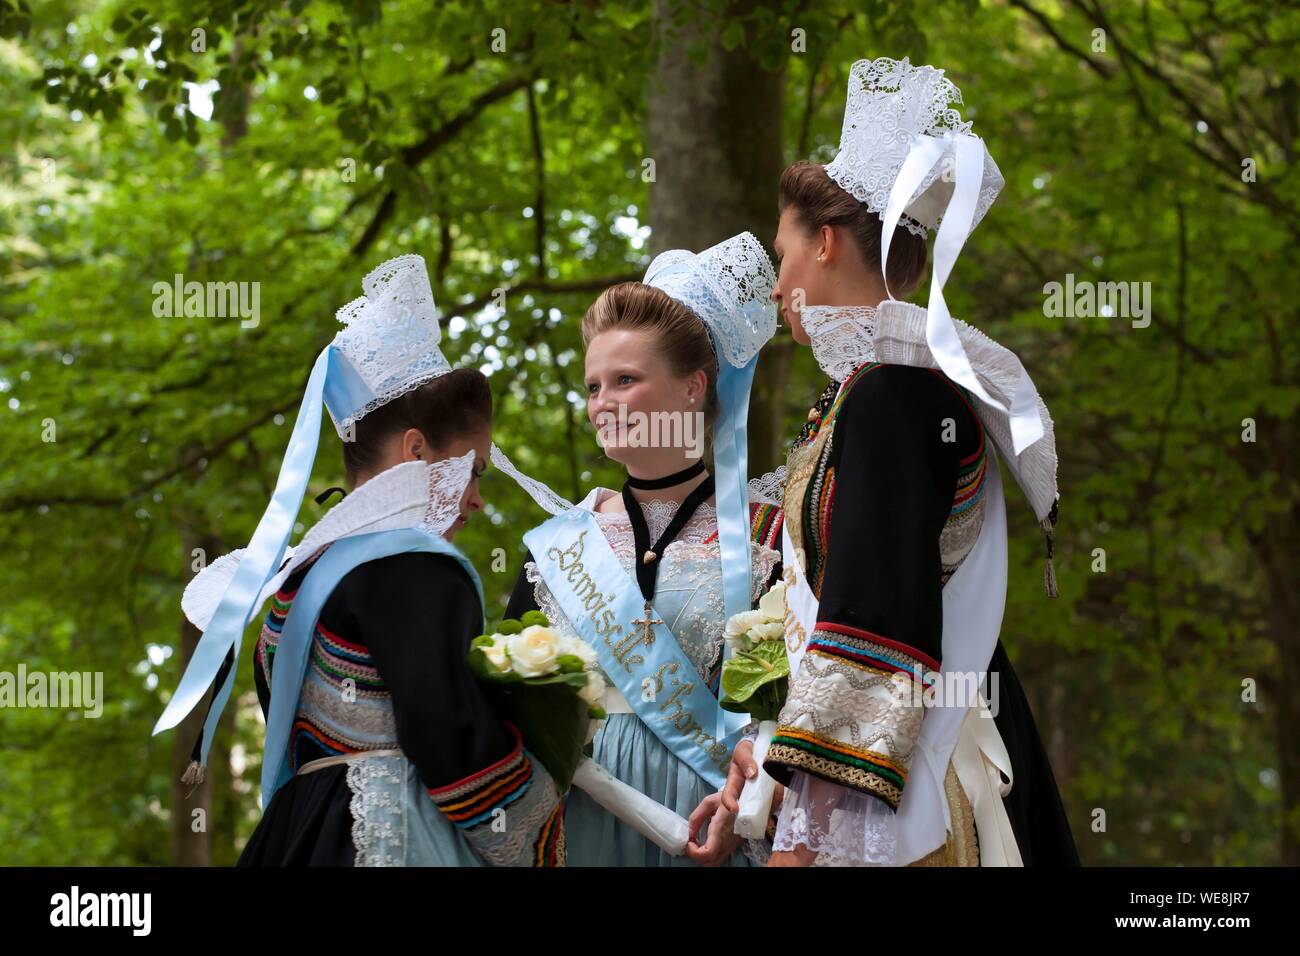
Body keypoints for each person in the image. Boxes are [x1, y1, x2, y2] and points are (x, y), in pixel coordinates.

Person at [723, 57, 1079, 866]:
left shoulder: (894, 398)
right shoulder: (879, 392)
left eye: (782, 255)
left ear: (822, 243)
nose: (778, 287)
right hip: (883, 769)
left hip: (900, 792)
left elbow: (872, 629)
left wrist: (806, 841)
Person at [160, 255, 565, 866]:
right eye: (474, 471)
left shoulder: (304, 575)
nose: (478, 500)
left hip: (294, 837)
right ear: (415, 450)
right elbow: (445, 735)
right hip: (385, 837)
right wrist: (543, 828)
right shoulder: (415, 565)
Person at [504, 233, 785, 866]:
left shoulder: (766, 536)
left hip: (714, 812)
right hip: (584, 812)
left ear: (692, 388)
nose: (601, 404)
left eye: (624, 381)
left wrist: (756, 798)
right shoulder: (563, 544)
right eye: (592, 386)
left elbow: (794, 702)